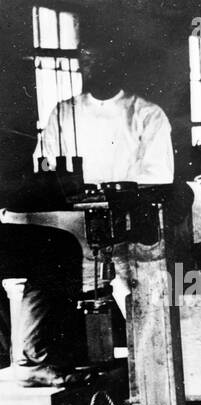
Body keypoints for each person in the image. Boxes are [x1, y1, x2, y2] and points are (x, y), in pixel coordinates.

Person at [3, 32, 174, 385]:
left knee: (127, 283)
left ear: (120, 63)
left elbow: (158, 177)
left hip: (119, 222)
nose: (94, 67)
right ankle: (39, 361)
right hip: (69, 222)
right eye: (86, 60)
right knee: (53, 265)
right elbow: (47, 167)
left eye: (103, 59)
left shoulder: (145, 114)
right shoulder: (64, 112)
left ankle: (151, 366)